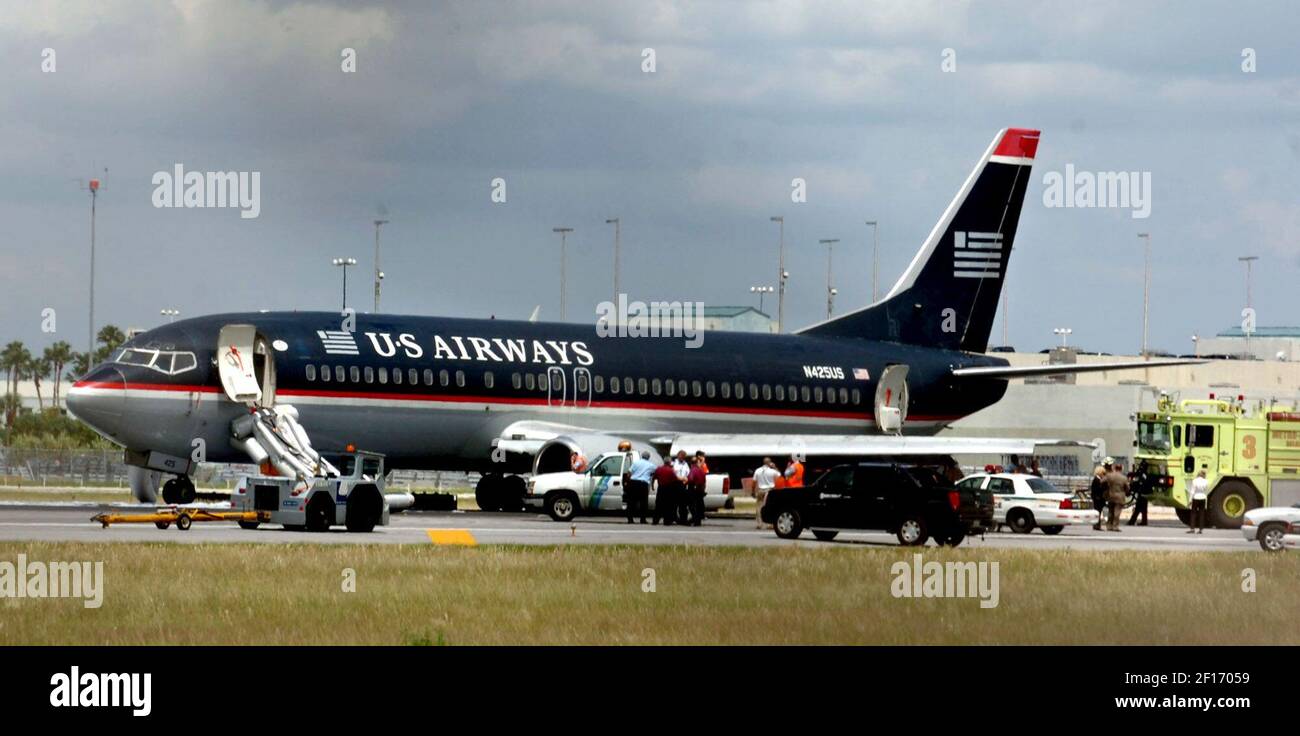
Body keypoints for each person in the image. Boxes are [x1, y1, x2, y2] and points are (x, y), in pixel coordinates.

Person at [626, 451, 656, 524]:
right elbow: (655, 472)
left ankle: (630, 519)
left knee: (631, 502)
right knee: (643, 503)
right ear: (648, 457)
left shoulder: (636, 463)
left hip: (633, 483)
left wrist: (628, 481)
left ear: (642, 456)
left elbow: (629, 473)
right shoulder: (651, 465)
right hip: (643, 485)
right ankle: (642, 519)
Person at [752, 457, 780, 529]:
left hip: (761, 490)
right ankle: (770, 524)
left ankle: (759, 524)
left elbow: (754, 482)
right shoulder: (772, 471)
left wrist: (753, 491)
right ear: (770, 463)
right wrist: (775, 467)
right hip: (770, 490)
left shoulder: (757, 470)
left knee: (759, 507)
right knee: (770, 507)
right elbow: (779, 475)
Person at [651, 458, 679, 526]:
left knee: (658, 505)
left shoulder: (658, 469)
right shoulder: (671, 470)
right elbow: (675, 480)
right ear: (669, 463)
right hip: (669, 489)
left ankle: (655, 520)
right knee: (668, 505)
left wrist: (652, 486)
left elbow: (654, 478)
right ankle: (667, 521)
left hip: (660, 488)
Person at [1104, 461, 1129, 532]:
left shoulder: (1110, 475)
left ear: (1114, 468)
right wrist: (1126, 492)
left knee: (1110, 511)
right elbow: (1127, 488)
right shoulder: (1124, 478)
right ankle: (1115, 526)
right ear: (1121, 469)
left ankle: (1109, 525)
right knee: (1117, 512)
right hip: (1120, 496)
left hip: (1111, 495)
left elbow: (1102, 482)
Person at [686, 456, 707, 526]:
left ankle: (695, 519)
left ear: (691, 464)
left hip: (693, 489)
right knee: (698, 506)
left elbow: (691, 479)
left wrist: (686, 482)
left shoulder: (693, 470)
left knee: (691, 506)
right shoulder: (701, 470)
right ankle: (698, 521)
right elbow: (704, 481)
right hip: (700, 489)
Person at [672, 451, 693, 522]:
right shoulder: (673, 463)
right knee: (674, 503)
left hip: (683, 484)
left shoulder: (686, 464)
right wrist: (680, 478)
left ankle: (683, 519)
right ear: (678, 455)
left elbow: (688, 473)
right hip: (675, 484)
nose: (682, 457)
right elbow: (673, 474)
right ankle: (674, 518)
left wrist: (686, 479)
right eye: (681, 455)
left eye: (684, 456)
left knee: (682, 503)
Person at [1188, 468, 1209, 534]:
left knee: (1193, 514)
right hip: (1203, 498)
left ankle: (1192, 528)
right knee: (1201, 514)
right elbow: (1206, 490)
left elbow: (1192, 491)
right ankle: (1201, 529)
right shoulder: (1206, 481)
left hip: (1196, 497)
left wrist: (1190, 500)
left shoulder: (1195, 481)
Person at [1090, 463, 1108, 531]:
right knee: (1098, 512)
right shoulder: (1097, 480)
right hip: (1098, 499)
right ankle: (1097, 525)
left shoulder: (1097, 479)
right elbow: (1096, 490)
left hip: (1098, 498)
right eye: (1103, 473)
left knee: (1099, 512)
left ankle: (1097, 525)